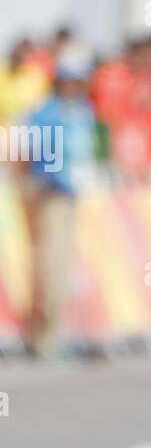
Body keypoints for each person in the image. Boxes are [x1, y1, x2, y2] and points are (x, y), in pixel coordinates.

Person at [19, 51, 97, 356]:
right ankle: (43, 336)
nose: (77, 86)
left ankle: (53, 332)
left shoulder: (82, 111)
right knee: (50, 264)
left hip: (72, 195)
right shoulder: (46, 112)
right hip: (51, 194)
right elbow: (33, 156)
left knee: (63, 265)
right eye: (72, 81)